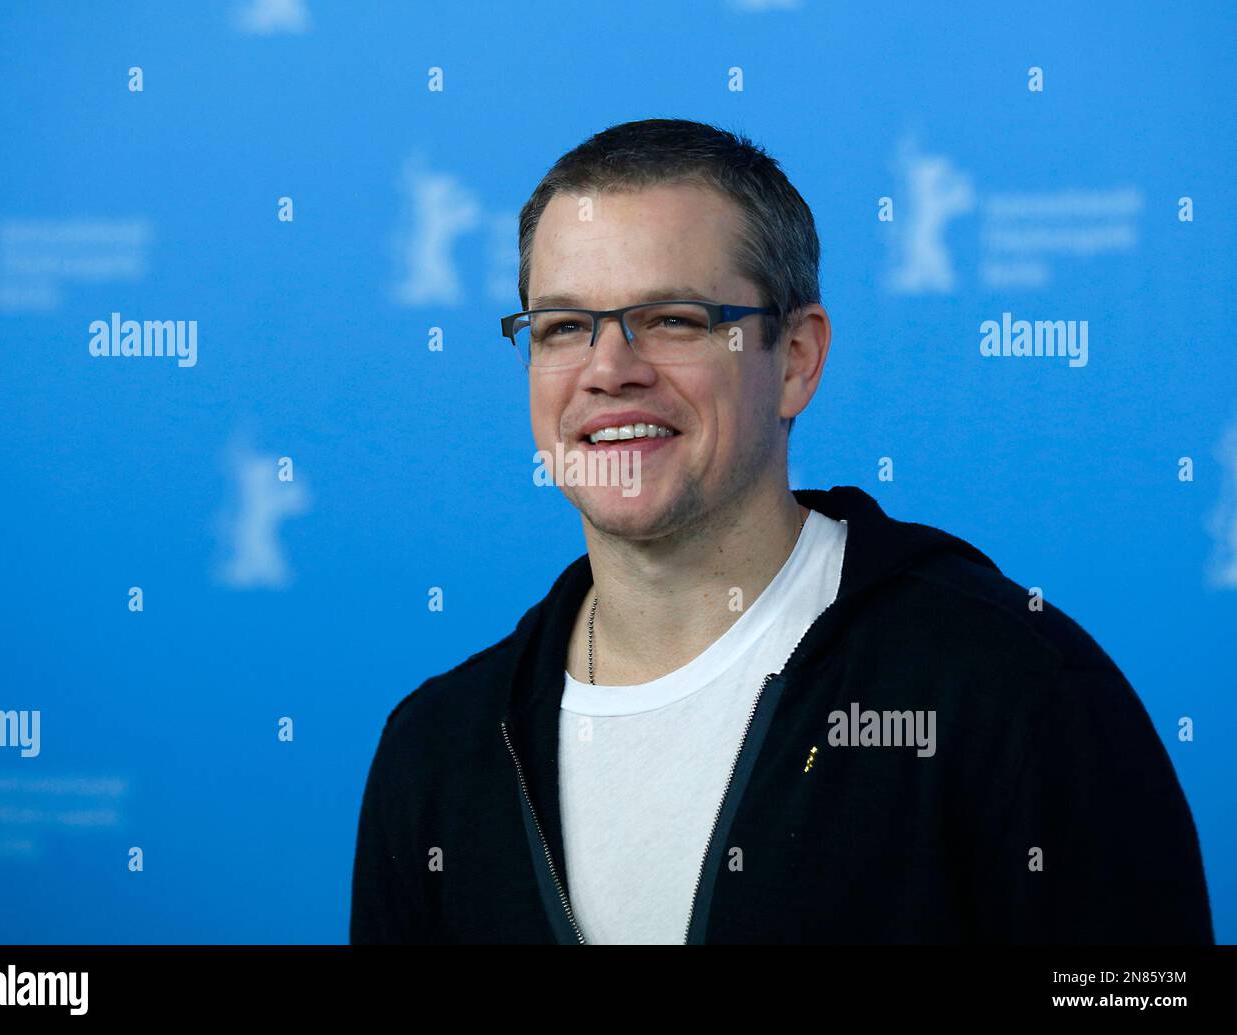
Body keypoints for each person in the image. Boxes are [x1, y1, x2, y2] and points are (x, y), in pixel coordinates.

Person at [350, 118, 1213, 944]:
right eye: (565, 327)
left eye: (674, 319)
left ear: (796, 359)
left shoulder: (1011, 688)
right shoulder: (439, 751)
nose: (609, 371)